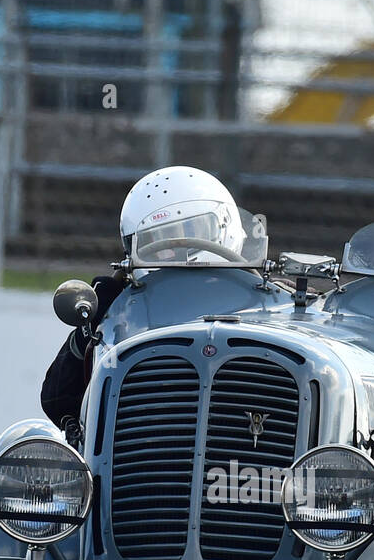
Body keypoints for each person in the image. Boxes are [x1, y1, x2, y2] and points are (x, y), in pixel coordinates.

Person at [40, 166, 248, 432]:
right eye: (158, 241)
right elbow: (57, 402)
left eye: (189, 232)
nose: (174, 250)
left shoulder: (270, 301)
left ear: (222, 226)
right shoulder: (123, 307)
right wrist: (93, 325)